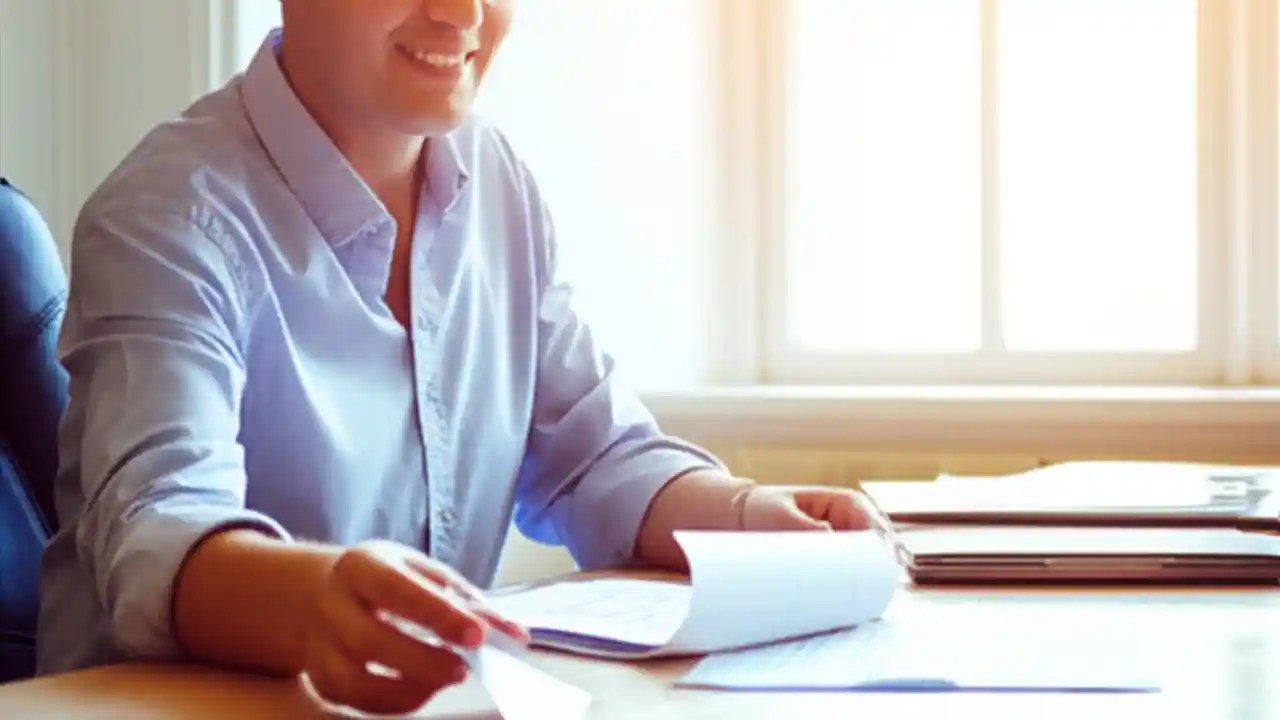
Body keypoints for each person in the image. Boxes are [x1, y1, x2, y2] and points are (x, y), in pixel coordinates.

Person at [36, 0, 873, 714]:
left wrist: (752, 517)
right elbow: (157, 529)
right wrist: (315, 600)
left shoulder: (497, 183)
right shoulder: (167, 216)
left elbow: (594, 458)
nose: (464, 13)